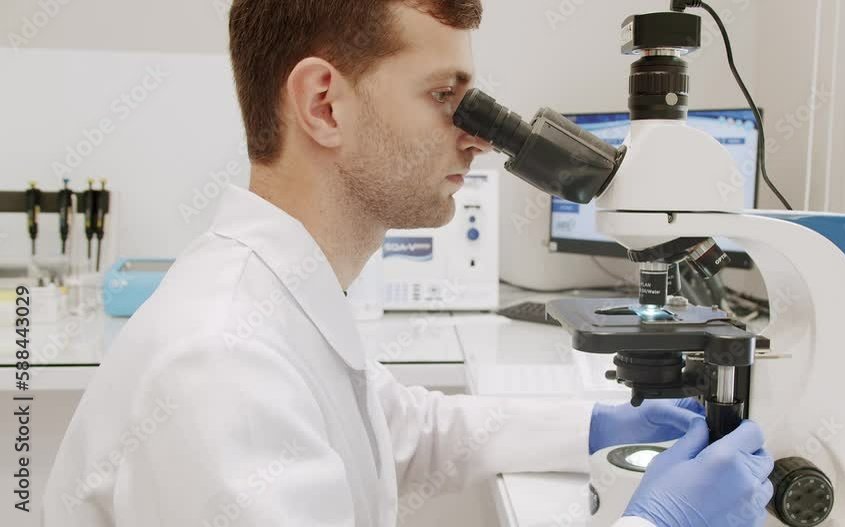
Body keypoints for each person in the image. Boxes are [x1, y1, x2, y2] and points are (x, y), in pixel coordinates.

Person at [42, 1, 773, 526]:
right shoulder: (221, 365)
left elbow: (409, 429)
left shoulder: (282, 296)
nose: (478, 139)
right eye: (444, 98)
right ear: (325, 104)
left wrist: (597, 425)